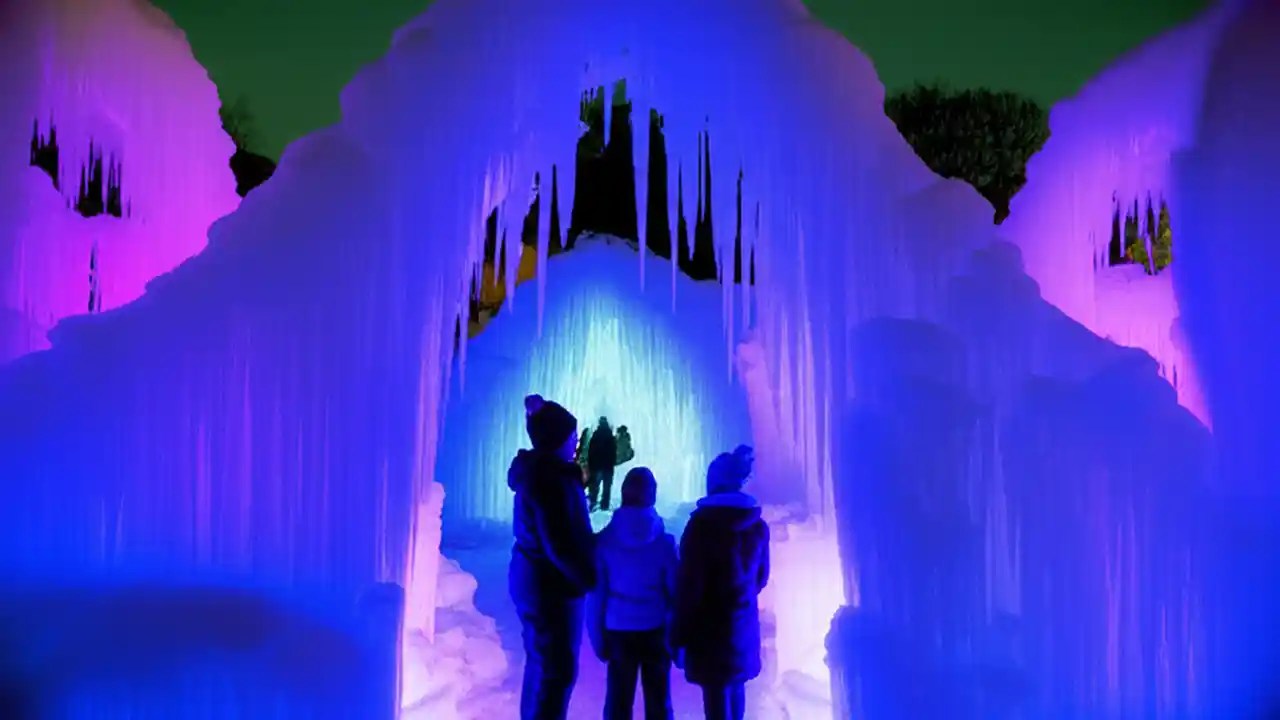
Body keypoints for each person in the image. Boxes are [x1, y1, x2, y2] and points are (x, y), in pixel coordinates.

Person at [508, 394, 597, 720]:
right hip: (551, 587)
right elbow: (559, 542)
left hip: (533, 578)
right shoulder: (552, 481)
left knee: (541, 664)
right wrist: (587, 575)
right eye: (571, 435)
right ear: (557, 438)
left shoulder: (539, 474)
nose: (575, 441)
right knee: (556, 673)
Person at [670, 445, 770, 720]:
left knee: (715, 697)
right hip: (741, 625)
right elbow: (761, 578)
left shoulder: (700, 528)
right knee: (736, 690)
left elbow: (689, 588)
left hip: (708, 631)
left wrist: (678, 636)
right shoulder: (757, 526)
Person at [587, 467, 677, 720]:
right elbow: (675, 591)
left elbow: (596, 596)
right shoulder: (664, 543)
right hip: (655, 627)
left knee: (618, 701)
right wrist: (676, 632)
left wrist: (597, 638)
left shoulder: (604, 542)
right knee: (659, 700)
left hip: (618, 629)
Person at [587, 417, 618, 512]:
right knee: (607, 487)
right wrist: (612, 464)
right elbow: (613, 452)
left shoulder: (595, 435)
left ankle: (592, 503)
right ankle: (605, 505)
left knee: (594, 486)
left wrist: (590, 464)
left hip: (597, 466)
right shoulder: (610, 436)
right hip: (608, 466)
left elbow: (591, 451)